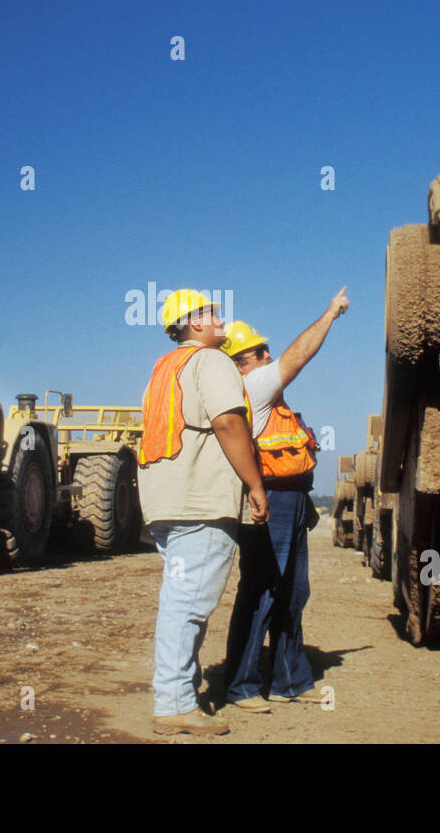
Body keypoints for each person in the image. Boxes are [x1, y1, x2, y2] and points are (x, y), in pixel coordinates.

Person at [138, 289, 268, 736]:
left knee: (182, 599)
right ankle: (173, 702)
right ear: (193, 323)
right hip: (201, 499)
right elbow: (228, 422)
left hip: (164, 501)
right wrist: (254, 485)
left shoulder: (164, 367)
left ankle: (182, 689)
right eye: (212, 313)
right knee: (188, 604)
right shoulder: (212, 362)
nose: (220, 319)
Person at [220, 287, 349, 712]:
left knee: (293, 592)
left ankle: (289, 680)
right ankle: (240, 685)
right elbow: (298, 356)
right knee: (261, 590)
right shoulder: (253, 387)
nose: (268, 356)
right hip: (269, 501)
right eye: (260, 351)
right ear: (243, 362)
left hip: (292, 500)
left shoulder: (265, 392)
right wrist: (329, 314)